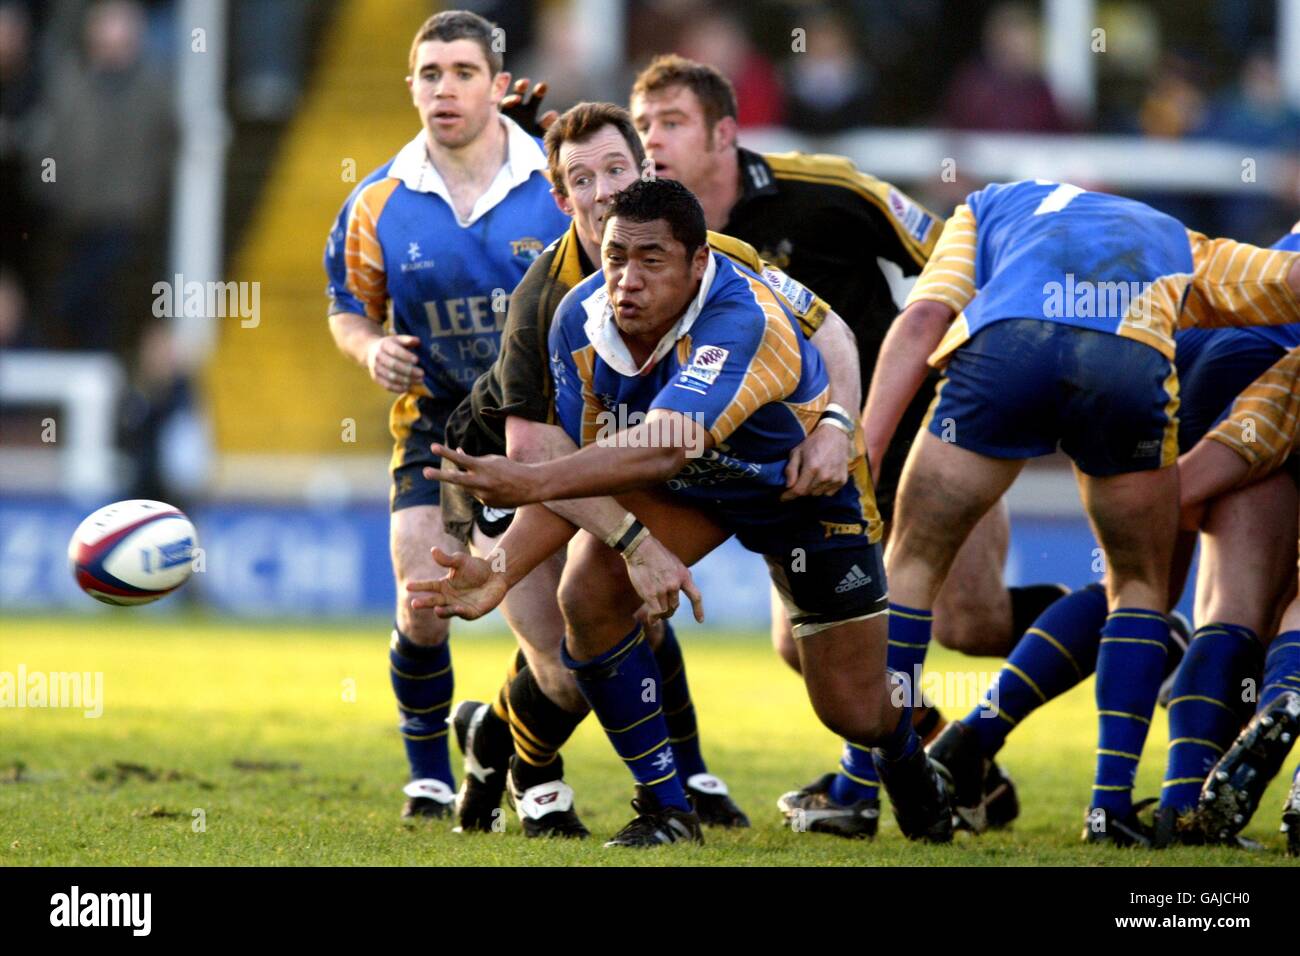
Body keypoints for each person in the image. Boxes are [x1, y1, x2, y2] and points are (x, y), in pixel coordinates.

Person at [413, 178, 955, 847]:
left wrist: (527, 481)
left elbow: (662, 447)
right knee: (586, 592)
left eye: (651, 261)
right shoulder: (575, 320)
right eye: (615, 258)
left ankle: (904, 755)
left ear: (697, 264)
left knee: (852, 708)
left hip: (797, 490)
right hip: (694, 491)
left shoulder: (740, 315)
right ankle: (666, 809)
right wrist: (500, 566)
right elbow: (594, 473)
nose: (626, 280)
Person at [629, 53, 1064, 836]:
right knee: (805, 649)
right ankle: (954, 767)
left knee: (971, 623)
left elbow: (958, 262)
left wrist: (1000, 383)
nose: (651, 139)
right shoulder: (653, 235)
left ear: (725, 133)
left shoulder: (828, 191)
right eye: (643, 124)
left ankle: (1119, 621)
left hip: (914, 431)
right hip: (801, 465)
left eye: (670, 122)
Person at [439, 101, 858, 835]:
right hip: (507, 471)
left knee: (624, 620)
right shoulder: (552, 303)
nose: (603, 191)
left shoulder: (712, 251)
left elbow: (833, 329)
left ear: (645, 175)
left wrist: (837, 424)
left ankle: (673, 778)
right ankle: (537, 778)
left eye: (616, 170)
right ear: (560, 196)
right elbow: (541, 455)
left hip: (647, 465)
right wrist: (628, 546)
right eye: (582, 179)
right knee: (572, 663)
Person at [860, 179, 1299, 844]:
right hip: (1175, 358)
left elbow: (923, 320)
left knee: (914, 565)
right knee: (1164, 593)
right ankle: (1135, 807)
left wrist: (862, 450)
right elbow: (1286, 280)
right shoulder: (1176, 239)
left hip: (1048, 351)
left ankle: (900, 768)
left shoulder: (986, 208)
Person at [323, 10, 569, 820]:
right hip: (436, 430)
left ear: (499, 86)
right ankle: (429, 777)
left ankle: (520, 765)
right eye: (430, 74)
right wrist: (369, 351)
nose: (445, 89)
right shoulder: (376, 203)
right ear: (411, 88)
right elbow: (346, 308)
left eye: (463, 72)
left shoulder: (555, 187)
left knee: (560, 645)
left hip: (543, 430)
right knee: (423, 604)